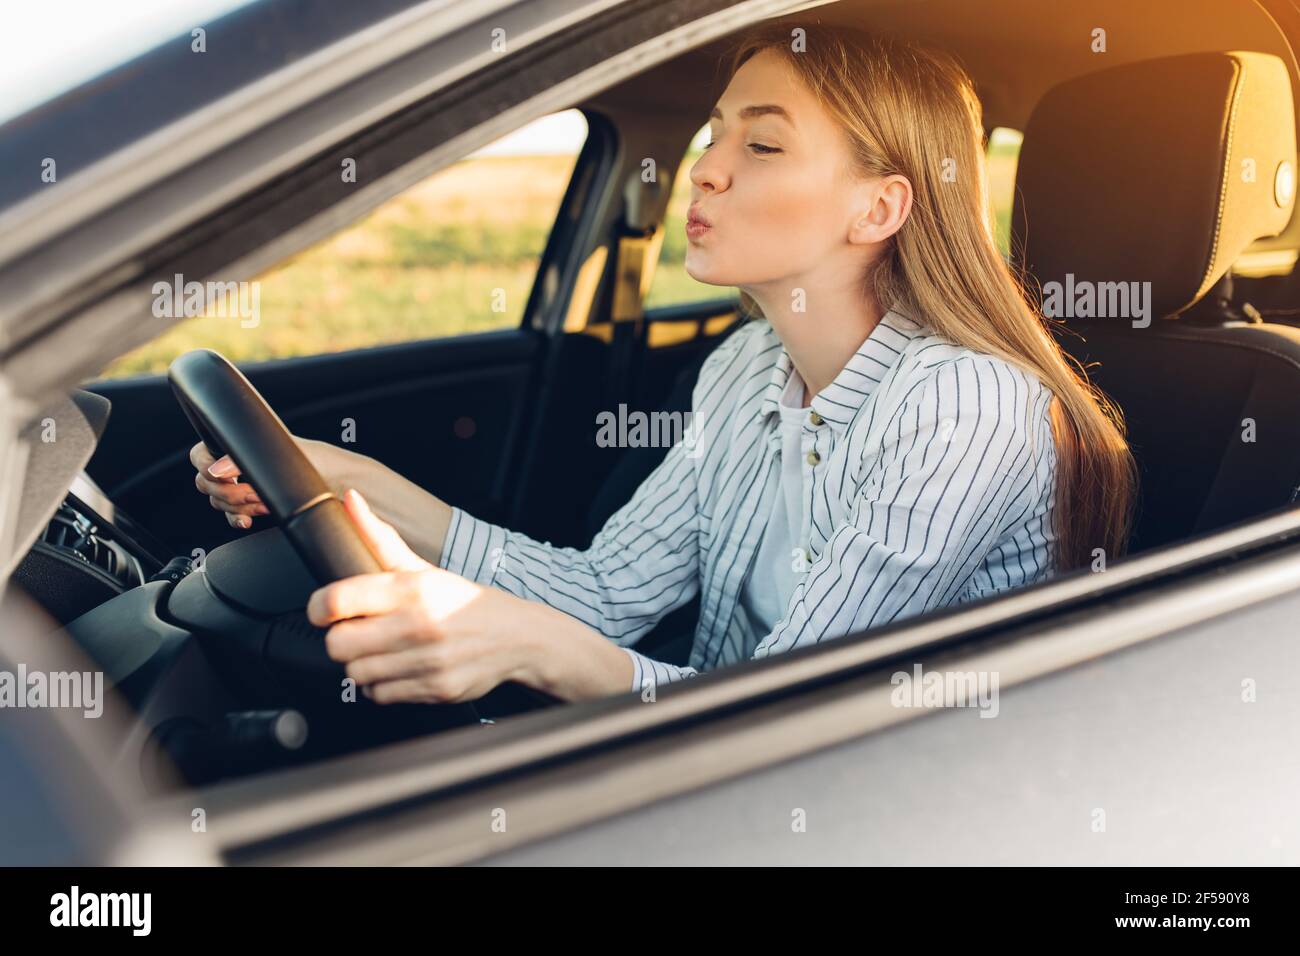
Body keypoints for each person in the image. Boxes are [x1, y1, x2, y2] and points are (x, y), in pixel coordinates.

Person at [191, 24, 1136, 706]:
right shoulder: (745, 365)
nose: (706, 167)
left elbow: (789, 707)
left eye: (762, 143)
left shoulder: (970, 408)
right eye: (715, 134)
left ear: (878, 210)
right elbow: (606, 593)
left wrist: (533, 648)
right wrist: (354, 485)